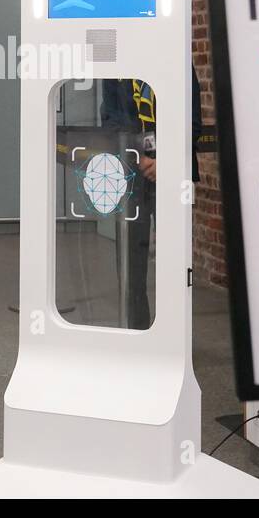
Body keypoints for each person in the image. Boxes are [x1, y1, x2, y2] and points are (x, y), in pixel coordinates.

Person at [99, 68, 203, 329]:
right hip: (132, 174)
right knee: (131, 261)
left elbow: (191, 121)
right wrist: (140, 156)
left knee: (175, 258)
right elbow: (111, 120)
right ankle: (137, 333)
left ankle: (174, 335)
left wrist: (163, 158)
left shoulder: (176, 57)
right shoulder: (116, 66)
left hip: (173, 174)